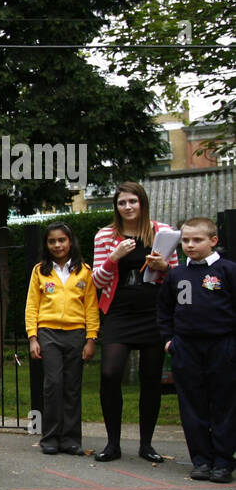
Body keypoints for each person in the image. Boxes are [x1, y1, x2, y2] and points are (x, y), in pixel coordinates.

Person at [89, 182, 177, 462]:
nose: (127, 207)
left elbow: (176, 278)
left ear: (142, 203)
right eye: (122, 202)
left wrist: (165, 268)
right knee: (110, 373)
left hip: (153, 312)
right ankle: (113, 444)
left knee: (151, 378)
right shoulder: (105, 235)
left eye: (132, 201)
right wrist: (113, 258)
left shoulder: (162, 232)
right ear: (116, 207)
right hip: (119, 312)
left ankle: (146, 445)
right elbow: (97, 282)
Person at [157, 217, 236, 483]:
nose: (190, 245)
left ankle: (223, 461)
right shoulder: (177, 274)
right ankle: (201, 460)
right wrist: (169, 339)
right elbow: (165, 309)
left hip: (222, 346)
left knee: (224, 403)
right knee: (192, 404)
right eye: (186, 241)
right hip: (186, 348)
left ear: (213, 241)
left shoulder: (228, 271)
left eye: (197, 240)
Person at [25, 222, 99, 455]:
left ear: (70, 241)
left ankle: (70, 439)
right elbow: (32, 306)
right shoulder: (40, 270)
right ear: (46, 245)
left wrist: (91, 339)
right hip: (48, 333)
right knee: (53, 384)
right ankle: (50, 437)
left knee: (72, 387)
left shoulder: (85, 270)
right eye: (52, 241)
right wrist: (32, 337)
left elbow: (91, 307)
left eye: (61, 240)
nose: (57, 245)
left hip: (76, 334)